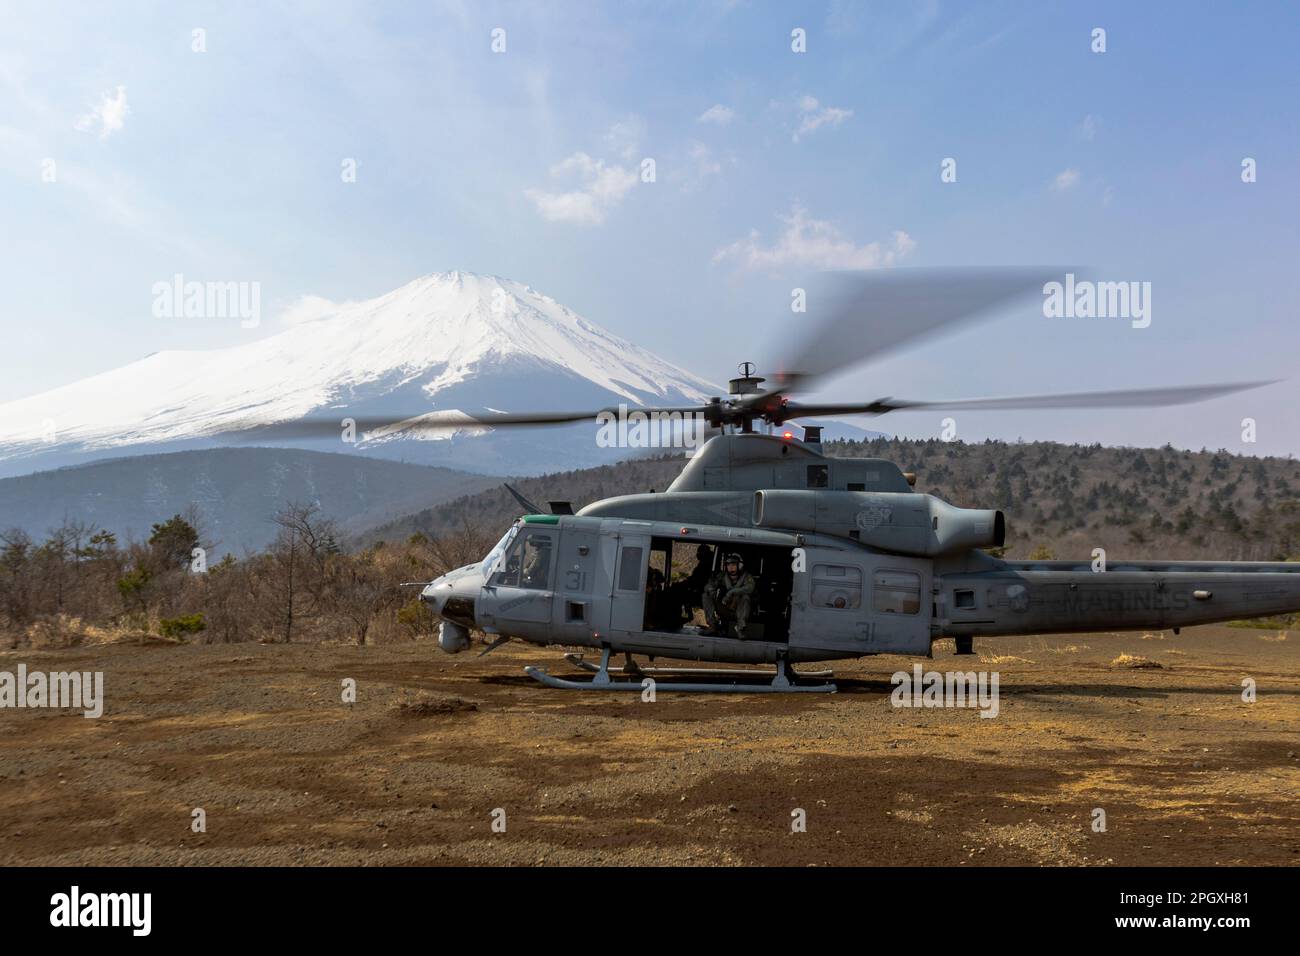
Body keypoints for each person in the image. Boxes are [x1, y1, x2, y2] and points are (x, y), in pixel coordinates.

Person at [703, 552, 756, 639]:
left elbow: (750, 588)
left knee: (745, 597)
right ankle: (712, 626)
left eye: (733, 564)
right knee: (706, 596)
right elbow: (709, 585)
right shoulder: (722, 576)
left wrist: (731, 592)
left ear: (740, 565)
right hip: (724, 608)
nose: (730, 567)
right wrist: (711, 590)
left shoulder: (746, 577)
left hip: (740, 610)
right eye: (728, 564)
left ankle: (740, 628)